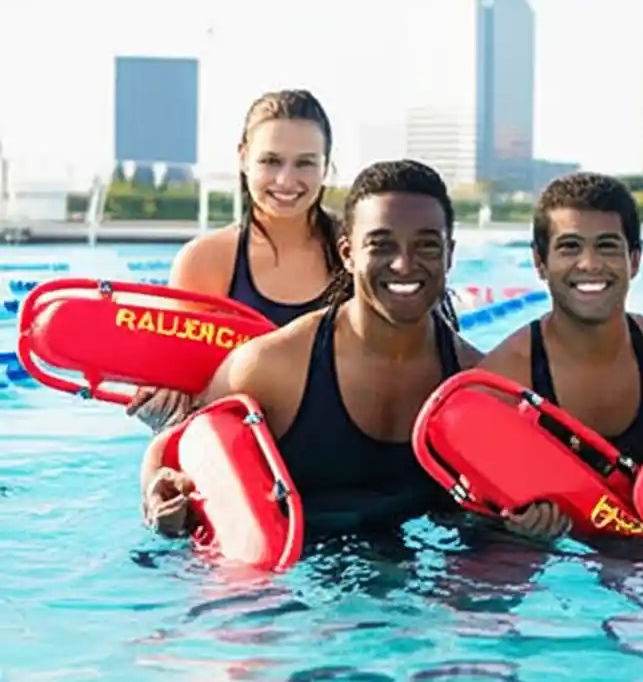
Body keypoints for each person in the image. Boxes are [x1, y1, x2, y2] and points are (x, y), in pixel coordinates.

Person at [139, 159, 482, 539]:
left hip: (414, 573)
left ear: (449, 254)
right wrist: (162, 498)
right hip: (292, 578)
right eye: (381, 245)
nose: (403, 264)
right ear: (349, 254)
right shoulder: (275, 366)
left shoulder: (475, 384)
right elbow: (175, 446)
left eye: (426, 246)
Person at [477, 172, 643, 540]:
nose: (590, 264)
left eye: (607, 246)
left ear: (636, 259)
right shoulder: (505, 378)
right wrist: (514, 529)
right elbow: (476, 517)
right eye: (570, 247)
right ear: (540, 262)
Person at [128, 89, 344, 431]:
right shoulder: (207, 261)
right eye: (270, 161)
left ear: (326, 166)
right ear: (243, 158)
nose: (286, 180)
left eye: (305, 162)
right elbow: (180, 402)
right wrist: (161, 403)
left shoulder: (357, 250)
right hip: (246, 454)